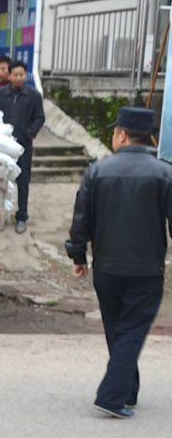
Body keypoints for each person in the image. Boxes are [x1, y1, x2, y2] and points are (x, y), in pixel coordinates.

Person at [66, 107, 172, 419]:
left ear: (122, 135)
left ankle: (128, 390)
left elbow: (81, 219)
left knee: (119, 330)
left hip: (107, 268)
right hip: (146, 270)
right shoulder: (164, 173)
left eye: (114, 132)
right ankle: (112, 397)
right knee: (132, 330)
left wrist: (77, 255)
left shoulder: (98, 171)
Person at [0, 60, 44, 234]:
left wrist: (29, 133)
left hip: (24, 146)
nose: (19, 78)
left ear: (26, 75)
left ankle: (21, 216)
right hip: (3, 146)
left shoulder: (34, 96)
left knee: (22, 181)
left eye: (22, 75)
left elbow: (40, 118)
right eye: (15, 74)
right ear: (9, 75)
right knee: (0, 179)